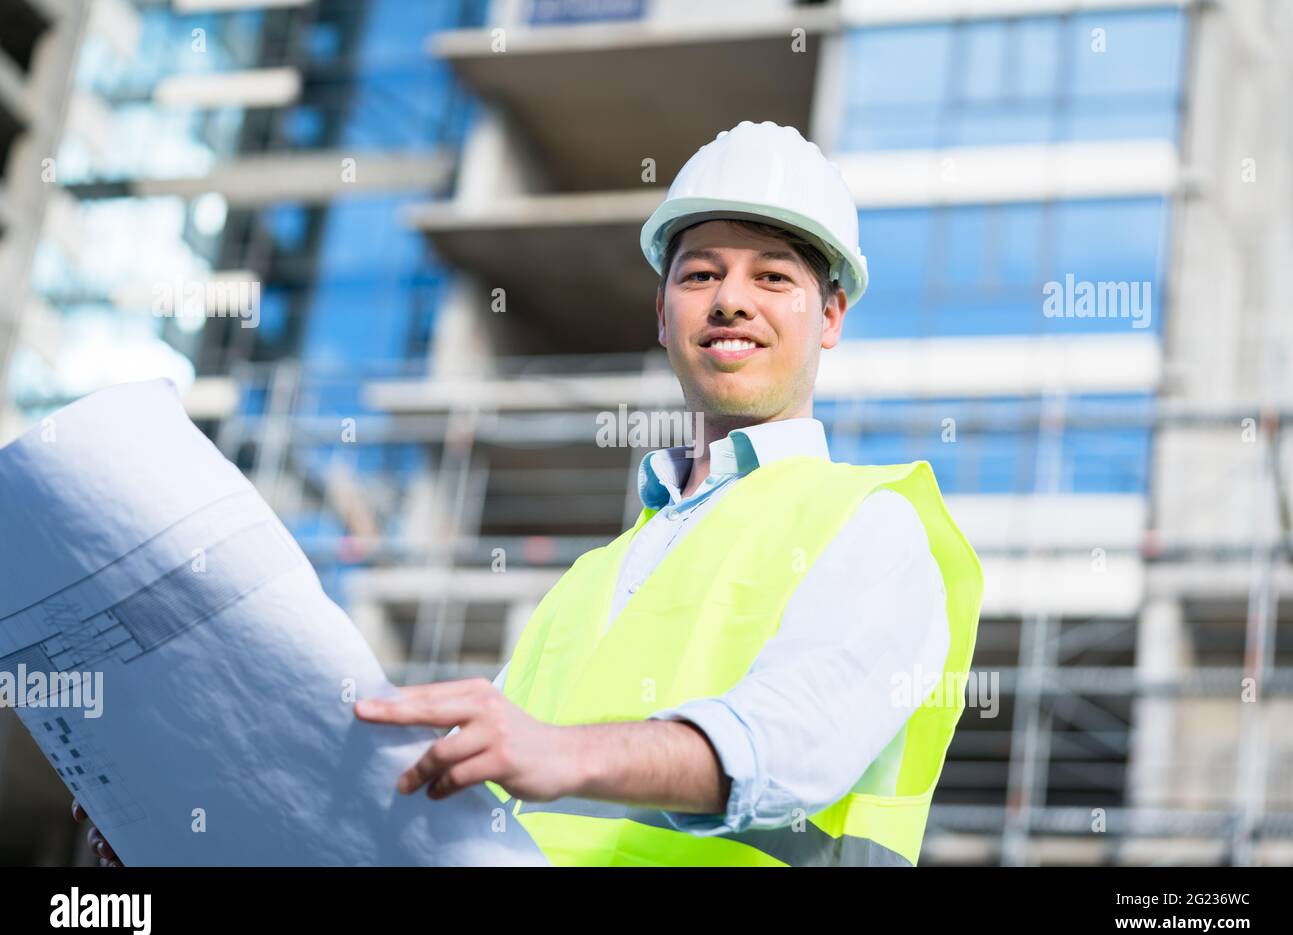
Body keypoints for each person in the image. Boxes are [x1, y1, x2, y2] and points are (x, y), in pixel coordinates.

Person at [78, 120, 982, 867]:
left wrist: (566, 751)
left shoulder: (876, 522)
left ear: (830, 317)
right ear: (661, 312)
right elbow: (449, 819)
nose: (730, 299)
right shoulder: (589, 583)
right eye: (700, 272)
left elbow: (795, 738)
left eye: (773, 275)